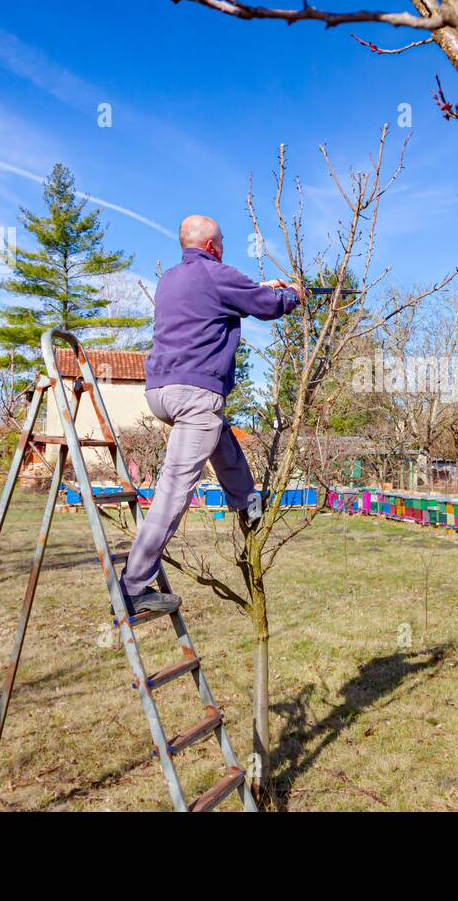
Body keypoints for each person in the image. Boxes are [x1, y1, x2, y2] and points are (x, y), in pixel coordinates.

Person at [119, 214, 303, 614]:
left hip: (161, 391)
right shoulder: (216, 272)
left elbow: (231, 297)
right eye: (221, 243)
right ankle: (133, 587)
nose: (223, 249)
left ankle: (245, 499)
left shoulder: (170, 279)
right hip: (195, 393)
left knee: (218, 435)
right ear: (210, 246)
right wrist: (292, 294)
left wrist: (258, 288)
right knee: (174, 491)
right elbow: (268, 306)